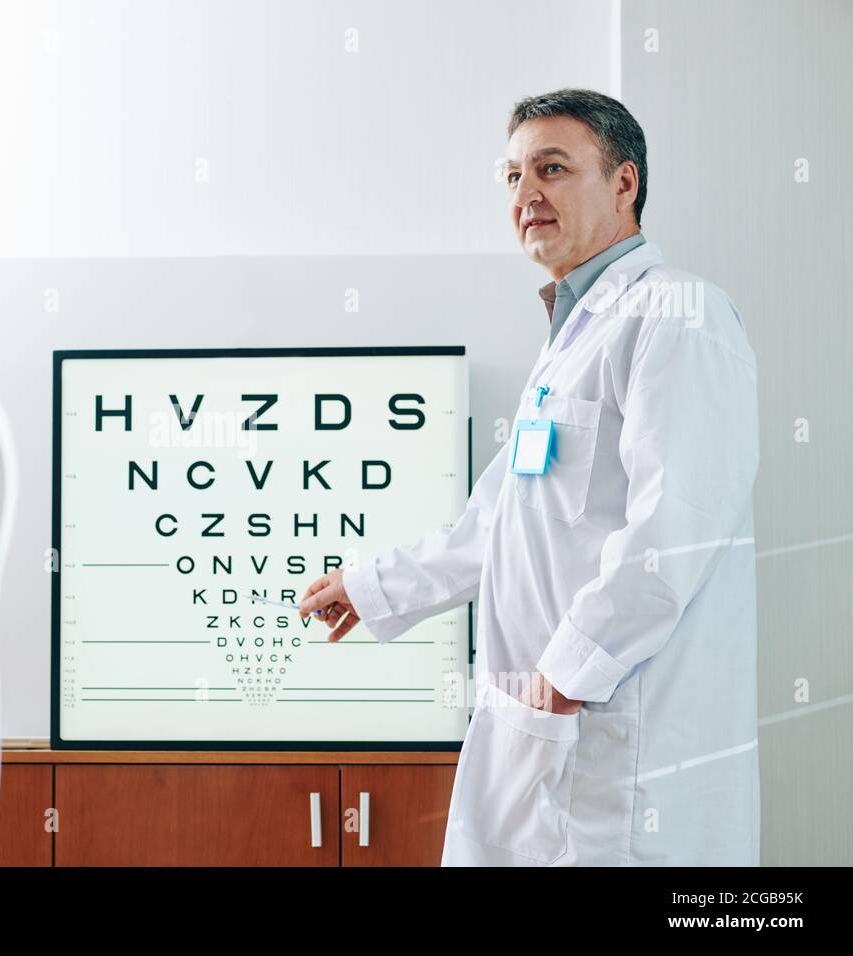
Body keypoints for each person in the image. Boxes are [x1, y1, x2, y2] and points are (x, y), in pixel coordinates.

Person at [299, 88, 760, 866]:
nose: (526, 194)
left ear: (624, 184)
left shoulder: (677, 316)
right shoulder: (573, 334)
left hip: (617, 747)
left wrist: (563, 680)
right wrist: (374, 586)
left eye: (552, 168)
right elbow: (500, 523)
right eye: (511, 175)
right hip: (546, 730)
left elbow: (672, 535)